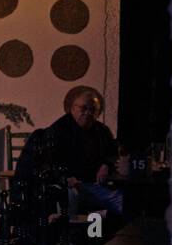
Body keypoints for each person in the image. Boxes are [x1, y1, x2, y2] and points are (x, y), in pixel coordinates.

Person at [49, 87, 123, 218]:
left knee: (122, 202)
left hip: (95, 185)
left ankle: (101, 236)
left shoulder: (102, 131)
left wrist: (106, 164)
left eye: (93, 109)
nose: (88, 113)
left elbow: (112, 153)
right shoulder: (58, 130)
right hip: (70, 186)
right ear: (72, 108)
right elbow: (49, 161)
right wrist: (64, 177)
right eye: (83, 108)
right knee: (71, 197)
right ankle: (75, 235)